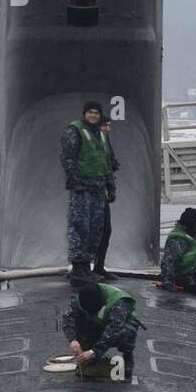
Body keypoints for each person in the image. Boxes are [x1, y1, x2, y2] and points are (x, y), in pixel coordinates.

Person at [60, 100, 115, 284]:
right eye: (90, 112)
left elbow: (106, 162)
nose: (93, 115)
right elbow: (68, 159)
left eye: (96, 113)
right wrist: (76, 181)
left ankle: (86, 267)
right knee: (79, 227)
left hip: (98, 189)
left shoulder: (100, 134)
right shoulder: (74, 131)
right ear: (84, 114)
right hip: (82, 189)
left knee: (95, 229)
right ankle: (77, 269)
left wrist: (110, 186)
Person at [62, 282, 141, 377]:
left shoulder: (120, 303)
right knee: (80, 320)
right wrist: (73, 340)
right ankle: (88, 353)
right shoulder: (81, 298)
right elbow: (68, 318)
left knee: (126, 331)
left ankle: (127, 357)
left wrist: (95, 351)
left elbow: (113, 330)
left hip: (119, 325)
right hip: (96, 322)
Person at [92, 115, 120, 278]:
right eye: (104, 126)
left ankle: (99, 266)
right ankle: (83, 268)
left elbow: (108, 168)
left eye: (109, 126)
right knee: (91, 231)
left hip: (102, 192)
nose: (108, 129)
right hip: (90, 193)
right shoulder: (93, 145)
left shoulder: (105, 143)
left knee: (105, 230)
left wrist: (111, 189)